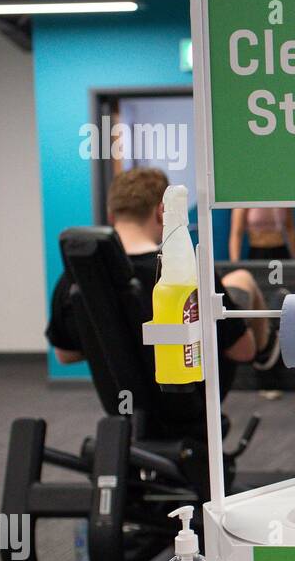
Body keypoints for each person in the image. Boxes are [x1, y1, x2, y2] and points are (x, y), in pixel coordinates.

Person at [46, 168, 281, 436]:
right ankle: (268, 349)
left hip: (123, 407)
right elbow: (242, 352)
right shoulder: (185, 276)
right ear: (161, 212)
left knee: (234, 283)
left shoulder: (78, 278)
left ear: (112, 214)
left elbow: (65, 354)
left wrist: (114, 338)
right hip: (190, 401)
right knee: (242, 280)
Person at [230, 207, 295, 261]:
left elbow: (291, 229)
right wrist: (235, 265)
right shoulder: (245, 198)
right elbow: (237, 233)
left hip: (281, 252)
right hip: (257, 253)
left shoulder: (282, 197)